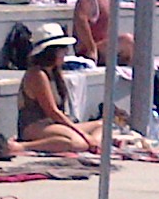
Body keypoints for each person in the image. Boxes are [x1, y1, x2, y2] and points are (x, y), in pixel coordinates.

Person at [14, 22, 104, 154]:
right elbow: (52, 111)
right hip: (36, 125)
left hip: (53, 124)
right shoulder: (37, 75)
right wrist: (83, 134)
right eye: (62, 49)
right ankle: (24, 147)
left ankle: (93, 144)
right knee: (78, 143)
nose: (66, 52)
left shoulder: (55, 72)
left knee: (101, 126)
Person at [72, 0, 130, 67]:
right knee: (127, 41)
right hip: (90, 51)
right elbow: (80, 19)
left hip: (103, 47)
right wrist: (91, 48)